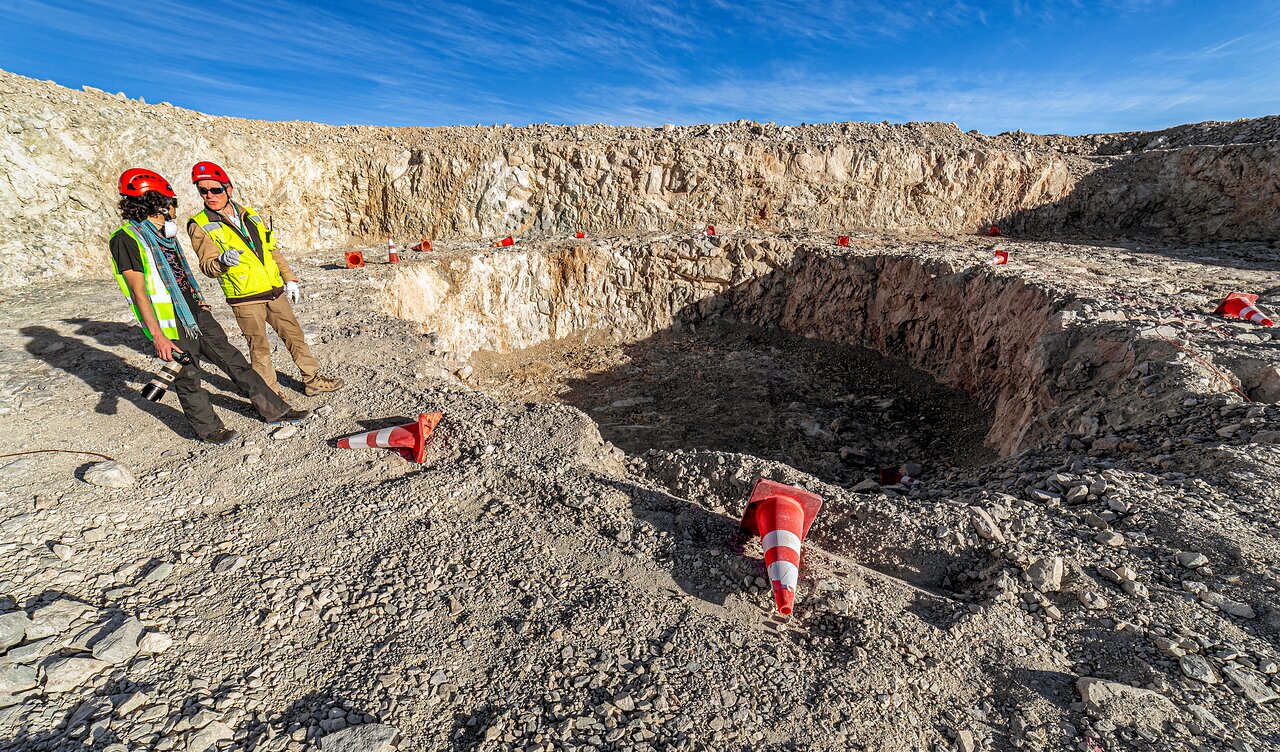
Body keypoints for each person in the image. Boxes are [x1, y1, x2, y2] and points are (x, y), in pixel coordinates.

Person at [109, 168, 309, 444]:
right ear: (157, 203)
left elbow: (178, 272)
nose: (173, 207)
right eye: (170, 201)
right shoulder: (126, 239)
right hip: (171, 322)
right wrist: (158, 336)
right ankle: (209, 429)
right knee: (188, 375)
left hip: (194, 311)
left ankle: (275, 410)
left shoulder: (164, 235)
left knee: (233, 360)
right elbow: (138, 291)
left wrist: (197, 297)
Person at [186, 161, 343, 397]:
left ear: (229, 189)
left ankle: (313, 380)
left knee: (295, 336)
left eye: (215, 189)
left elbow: (271, 249)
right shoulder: (200, 225)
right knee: (259, 348)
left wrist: (289, 278)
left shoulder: (250, 214)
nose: (209, 195)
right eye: (203, 191)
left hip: (274, 291)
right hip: (245, 298)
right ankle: (270, 393)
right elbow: (208, 266)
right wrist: (222, 262)